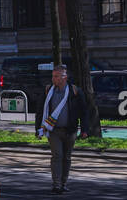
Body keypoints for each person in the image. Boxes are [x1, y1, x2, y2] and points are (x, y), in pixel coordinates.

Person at [34, 64, 89, 193]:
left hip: (70, 130)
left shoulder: (75, 91)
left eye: (56, 76)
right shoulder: (48, 90)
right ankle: (57, 184)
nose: (53, 79)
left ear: (64, 77)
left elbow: (84, 111)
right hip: (53, 131)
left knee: (67, 157)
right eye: (53, 76)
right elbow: (40, 111)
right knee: (57, 155)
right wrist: (38, 129)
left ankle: (64, 183)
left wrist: (85, 129)